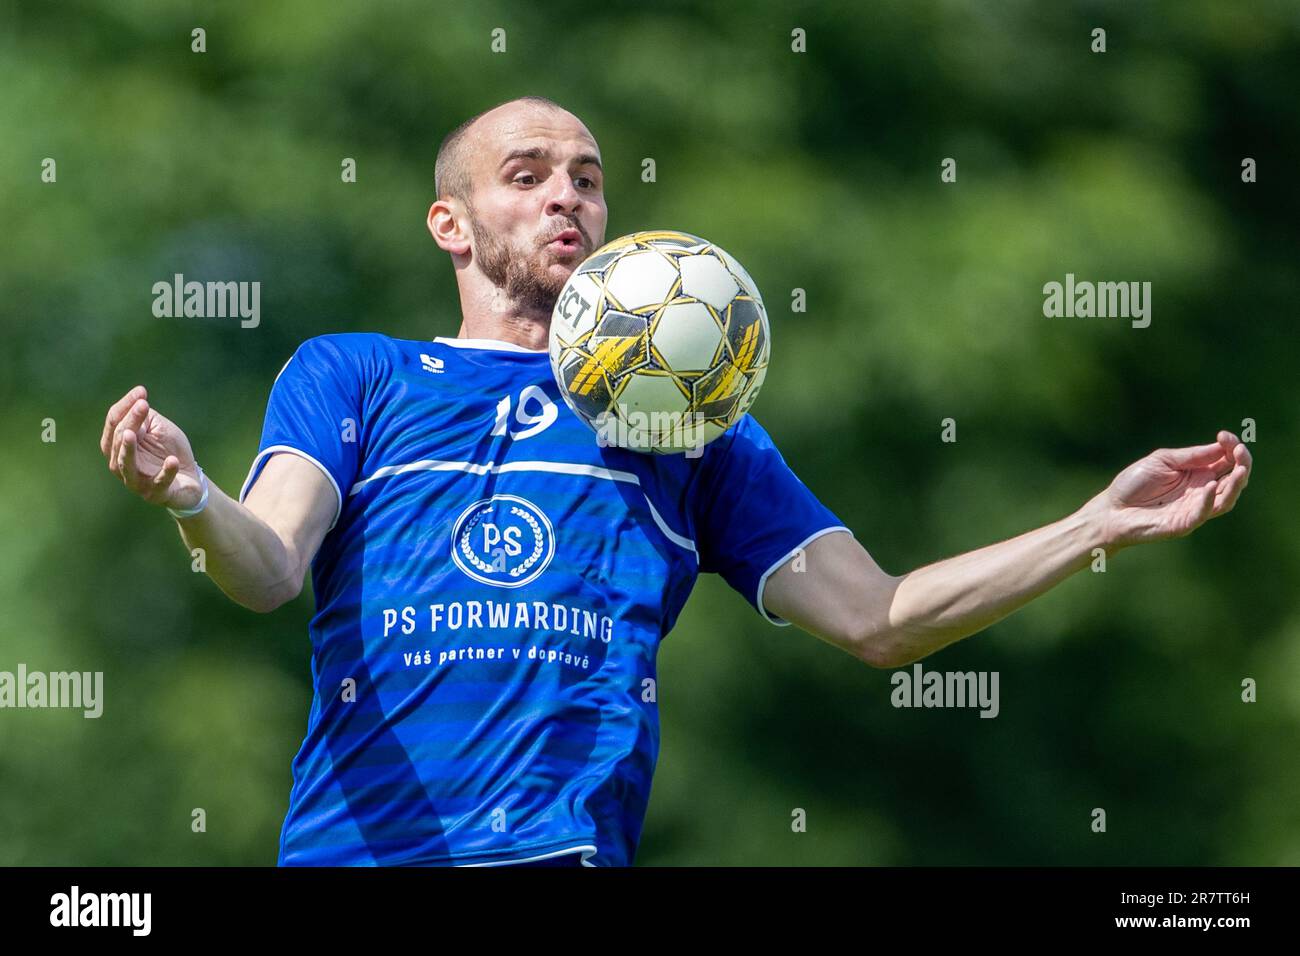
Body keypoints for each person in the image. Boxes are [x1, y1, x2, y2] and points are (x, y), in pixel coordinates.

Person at [99, 95, 1253, 867]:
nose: (569, 196)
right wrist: (196, 496)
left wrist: (1094, 525)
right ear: (450, 222)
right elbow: (268, 569)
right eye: (529, 174)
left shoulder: (687, 424)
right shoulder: (356, 373)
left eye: (588, 180)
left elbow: (878, 616)